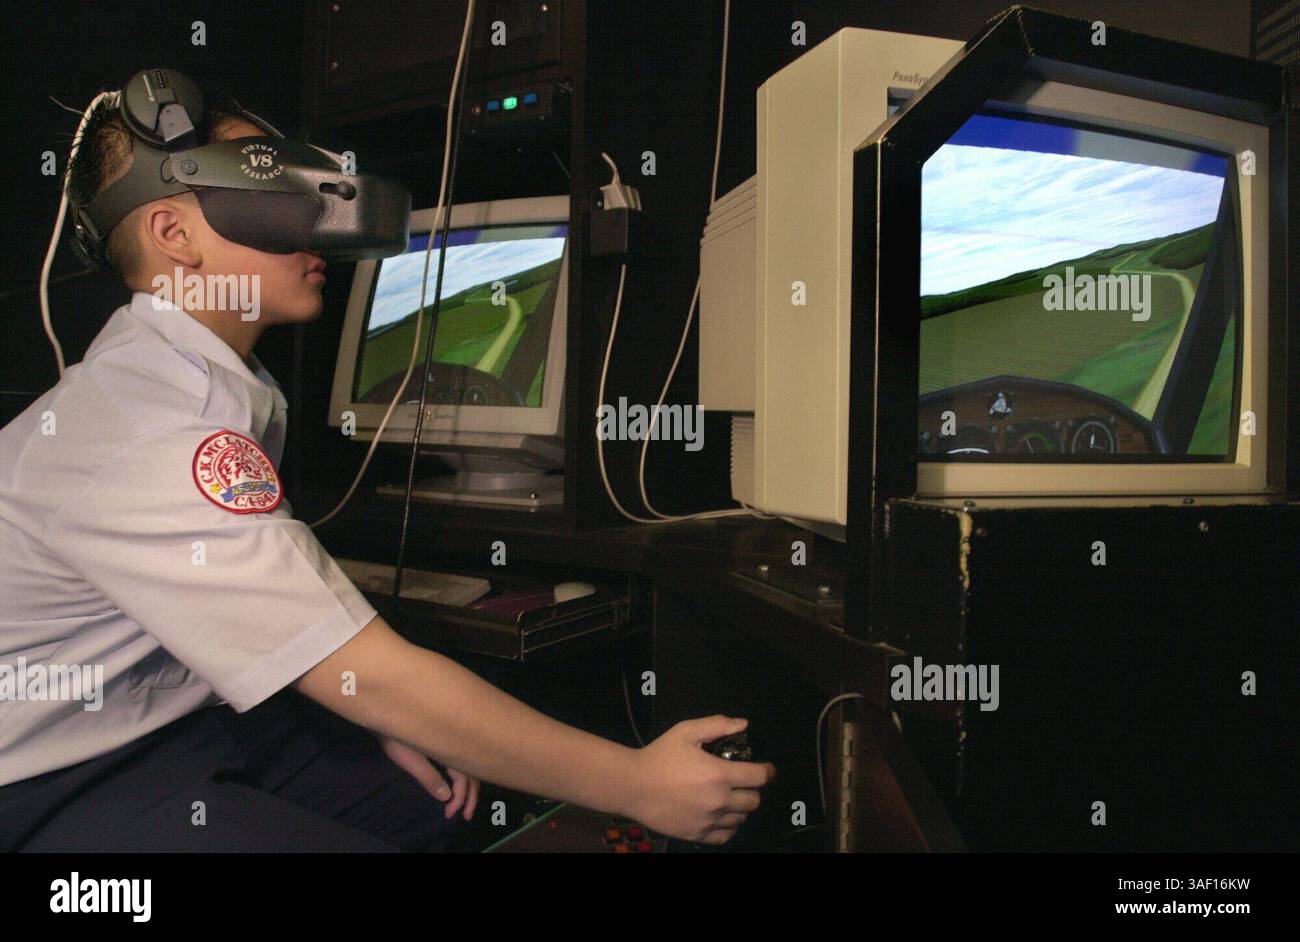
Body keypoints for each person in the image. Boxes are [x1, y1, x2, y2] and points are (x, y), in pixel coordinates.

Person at [0, 87, 774, 852]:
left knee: (434, 807)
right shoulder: (149, 429)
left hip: (179, 718)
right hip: (50, 777)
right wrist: (640, 786)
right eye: (273, 190)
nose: (317, 224)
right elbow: (374, 673)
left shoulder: (206, 385)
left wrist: (364, 707)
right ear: (175, 234)